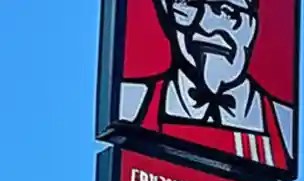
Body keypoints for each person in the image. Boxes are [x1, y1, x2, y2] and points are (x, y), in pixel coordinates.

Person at [119, 0, 294, 170]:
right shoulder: (131, 106)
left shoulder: (283, 126)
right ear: (168, 12)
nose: (206, 26)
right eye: (190, 5)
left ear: (252, 25)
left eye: (227, 11)